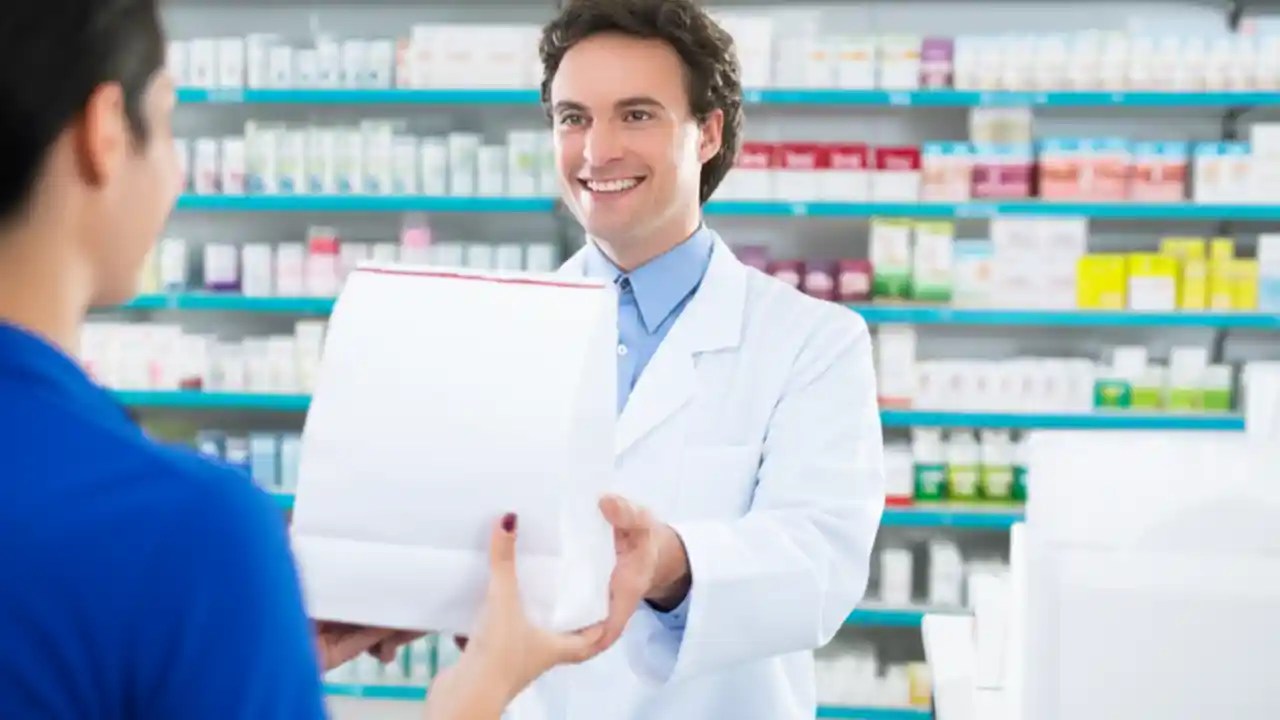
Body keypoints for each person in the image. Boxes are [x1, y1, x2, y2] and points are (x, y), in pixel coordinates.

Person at [0, 1, 651, 718]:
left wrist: (248, 643)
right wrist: (479, 692)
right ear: (105, 135)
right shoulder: (181, 530)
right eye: (167, 117)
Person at [509, 0, 888, 717]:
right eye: (573, 118)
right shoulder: (506, 327)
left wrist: (672, 561)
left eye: (637, 115)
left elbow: (821, 566)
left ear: (707, 132)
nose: (597, 151)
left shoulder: (812, 342)